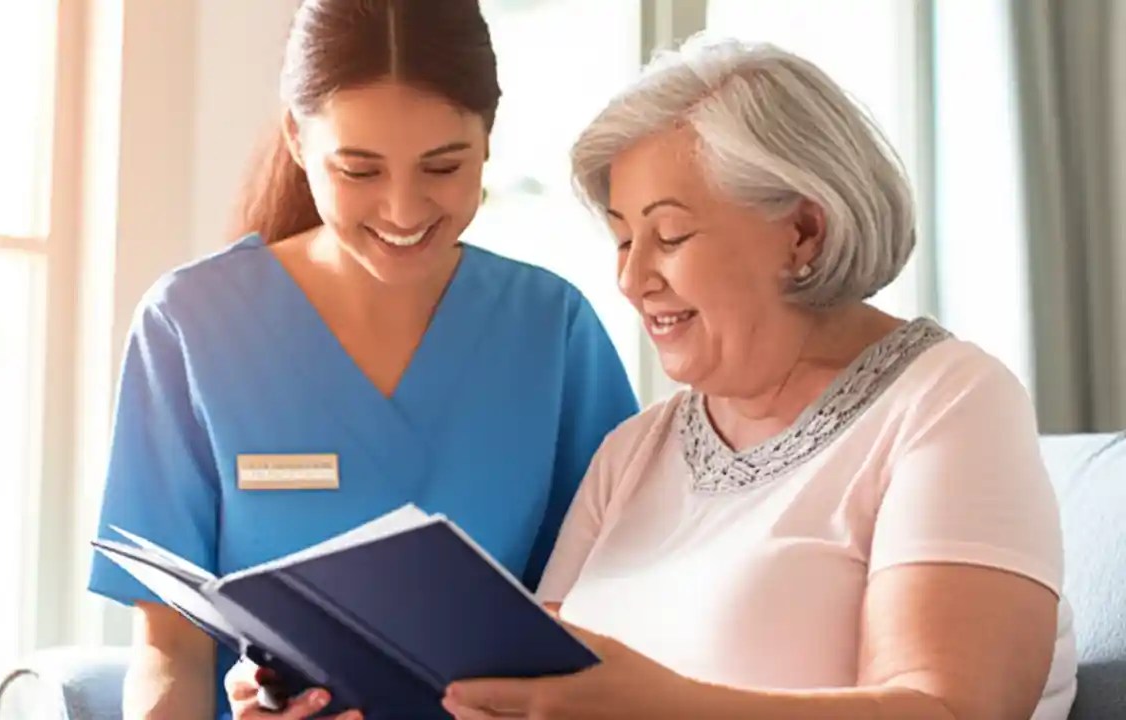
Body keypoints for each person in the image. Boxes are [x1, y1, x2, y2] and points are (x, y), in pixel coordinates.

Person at [442, 35, 1077, 720]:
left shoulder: (948, 403)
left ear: (803, 231)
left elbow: (950, 710)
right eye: (624, 238)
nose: (631, 278)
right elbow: (529, 693)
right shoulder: (632, 451)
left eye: (672, 236)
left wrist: (661, 706)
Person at [84, 1, 639, 718]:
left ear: (489, 137)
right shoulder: (190, 326)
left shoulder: (552, 331)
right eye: (359, 170)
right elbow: (168, 648)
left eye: (443, 166)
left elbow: (618, 619)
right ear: (295, 136)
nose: (403, 211)